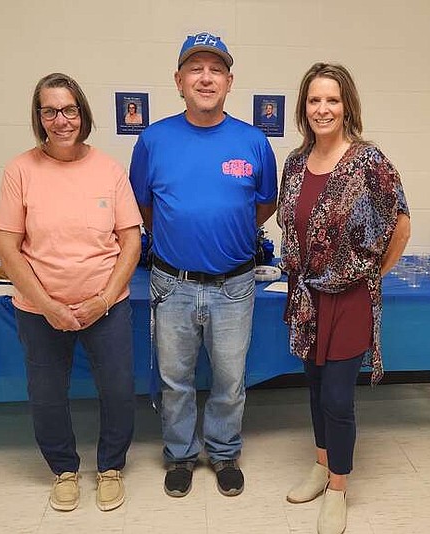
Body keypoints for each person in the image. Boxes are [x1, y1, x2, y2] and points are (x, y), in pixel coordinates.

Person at [129, 32, 278, 498]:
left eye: (216, 70)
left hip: (235, 286)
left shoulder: (253, 142)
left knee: (230, 380)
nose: (206, 77)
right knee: (175, 380)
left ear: (230, 82)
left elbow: (264, 205)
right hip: (171, 284)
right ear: (179, 80)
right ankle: (179, 455)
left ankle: (224, 451)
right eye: (196, 69)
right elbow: (146, 207)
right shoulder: (153, 140)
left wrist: (222, 232)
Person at [0, 72, 142, 513]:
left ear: (83, 113)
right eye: (50, 111)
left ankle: (111, 467)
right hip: (40, 310)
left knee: (117, 388)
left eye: (69, 109)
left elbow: (131, 241)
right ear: (39, 117)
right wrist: (48, 305)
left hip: (107, 305)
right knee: (47, 393)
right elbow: (6, 244)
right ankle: (64, 469)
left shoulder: (108, 169)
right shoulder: (20, 170)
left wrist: (103, 298)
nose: (61, 120)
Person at [277, 63, 410, 534]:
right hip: (307, 298)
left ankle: (338, 487)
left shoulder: (369, 162)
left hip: (350, 298)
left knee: (337, 396)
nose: (322, 108)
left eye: (331, 100)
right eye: (314, 100)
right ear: (304, 108)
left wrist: (371, 272)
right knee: (313, 387)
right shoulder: (294, 163)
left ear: (347, 105)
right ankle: (320, 463)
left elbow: (401, 223)